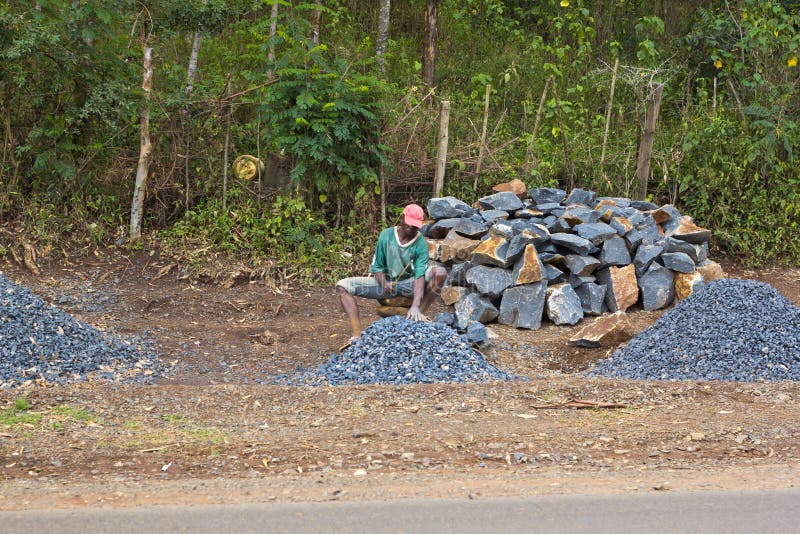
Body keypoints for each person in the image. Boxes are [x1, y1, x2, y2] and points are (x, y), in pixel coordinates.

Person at [336, 203, 447, 341]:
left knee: (440, 272)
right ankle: (357, 335)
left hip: (409, 284)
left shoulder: (420, 242)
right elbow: (377, 267)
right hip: (385, 284)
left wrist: (415, 306)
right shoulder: (386, 235)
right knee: (342, 286)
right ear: (402, 218)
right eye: (409, 223)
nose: (412, 228)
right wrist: (384, 283)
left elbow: (420, 274)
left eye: (416, 225)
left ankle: (417, 315)